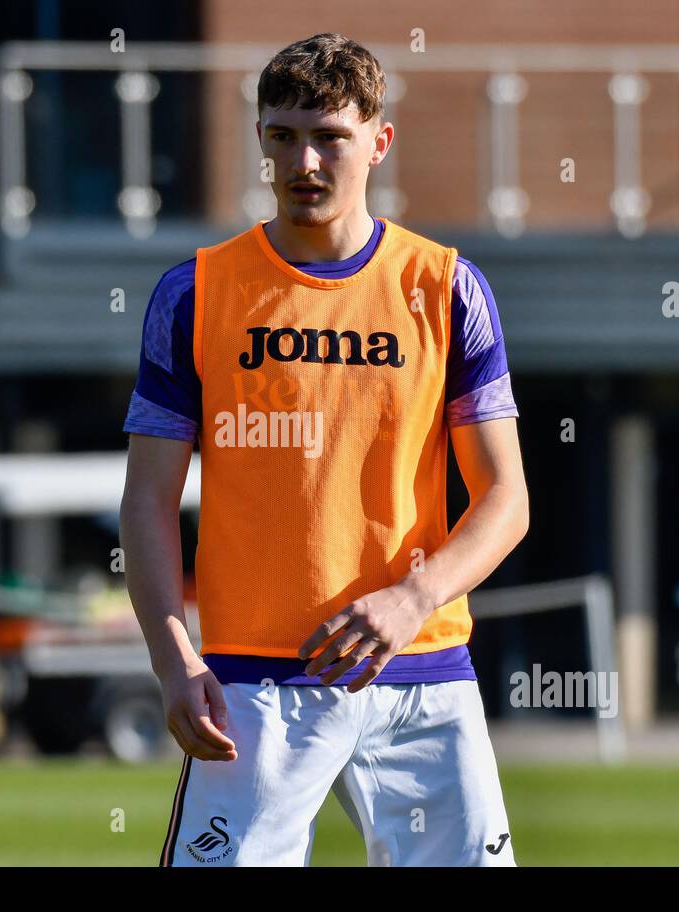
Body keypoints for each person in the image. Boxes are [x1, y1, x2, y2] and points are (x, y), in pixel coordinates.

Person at [119, 33, 529, 867]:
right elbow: (148, 500)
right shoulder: (195, 293)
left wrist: (413, 599)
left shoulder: (447, 288)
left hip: (421, 674)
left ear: (379, 140)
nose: (304, 160)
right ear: (262, 139)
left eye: (330, 136)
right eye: (282, 136)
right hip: (251, 686)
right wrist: (173, 662)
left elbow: (506, 499)